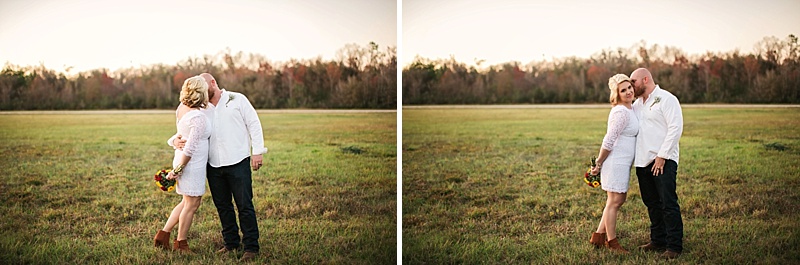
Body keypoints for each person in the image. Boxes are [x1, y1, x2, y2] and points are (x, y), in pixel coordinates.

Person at [170, 73, 267, 262]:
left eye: (204, 88)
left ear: (213, 83)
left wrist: (257, 151)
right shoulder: (201, 108)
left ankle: (251, 247)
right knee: (223, 206)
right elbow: (187, 131)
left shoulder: (237, 99)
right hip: (213, 164)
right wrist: (174, 140)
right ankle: (231, 243)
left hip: (238, 160)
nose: (202, 92)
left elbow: (254, 124)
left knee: (244, 205)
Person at [153, 75, 212, 253]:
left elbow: (179, 135)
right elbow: (190, 147)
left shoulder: (182, 108)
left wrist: (172, 142)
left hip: (185, 161)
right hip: (190, 165)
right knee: (192, 204)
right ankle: (181, 243)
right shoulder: (198, 117)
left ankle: (163, 235)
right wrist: (178, 170)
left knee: (187, 202)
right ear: (201, 92)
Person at [629, 68, 684, 259]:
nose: (631, 85)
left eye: (633, 81)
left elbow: (675, 128)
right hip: (642, 162)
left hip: (663, 160)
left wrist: (662, 156)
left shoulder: (667, 99)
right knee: (651, 203)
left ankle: (674, 246)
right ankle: (657, 240)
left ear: (645, 79)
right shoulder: (636, 105)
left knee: (668, 203)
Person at [588, 74, 639, 253]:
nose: (628, 92)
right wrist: (599, 163)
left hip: (623, 163)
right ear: (616, 94)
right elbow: (609, 140)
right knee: (614, 201)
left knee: (617, 200)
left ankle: (598, 237)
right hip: (615, 162)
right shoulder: (620, 112)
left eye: (629, 88)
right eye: (623, 90)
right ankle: (612, 241)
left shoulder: (630, 109)